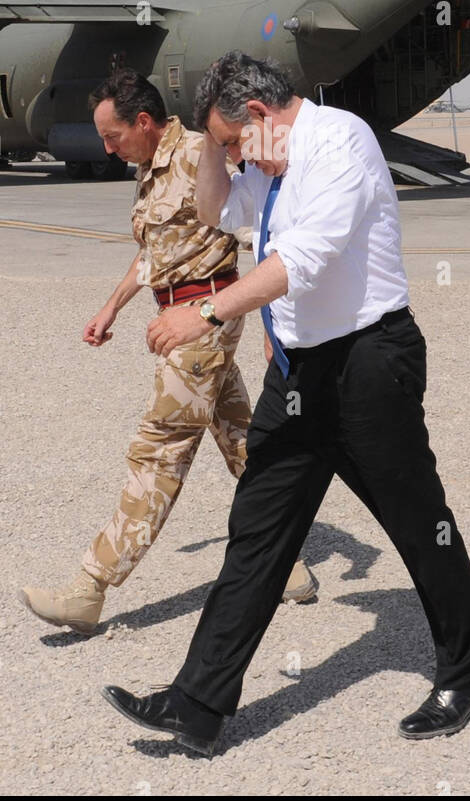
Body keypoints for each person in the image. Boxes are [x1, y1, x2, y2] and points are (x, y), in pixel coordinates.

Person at [101, 51, 470, 756]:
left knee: (417, 523)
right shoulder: (267, 166)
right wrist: (220, 147)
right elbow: (214, 211)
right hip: (299, 374)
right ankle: (196, 705)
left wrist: (209, 314)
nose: (229, 158)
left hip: (370, 365)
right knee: (257, 533)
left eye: (230, 142)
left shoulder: (339, 142)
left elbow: (305, 258)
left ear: (259, 116)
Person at [18, 67, 315, 635]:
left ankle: (90, 589)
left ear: (145, 122)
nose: (106, 148)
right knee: (243, 442)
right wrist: (113, 307)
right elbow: (156, 253)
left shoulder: (201, 152)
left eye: (113, 136)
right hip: (176, 315)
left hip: (205, 320)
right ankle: (288, 562)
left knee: (161, 447)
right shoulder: (150, 169)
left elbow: (271, 199)